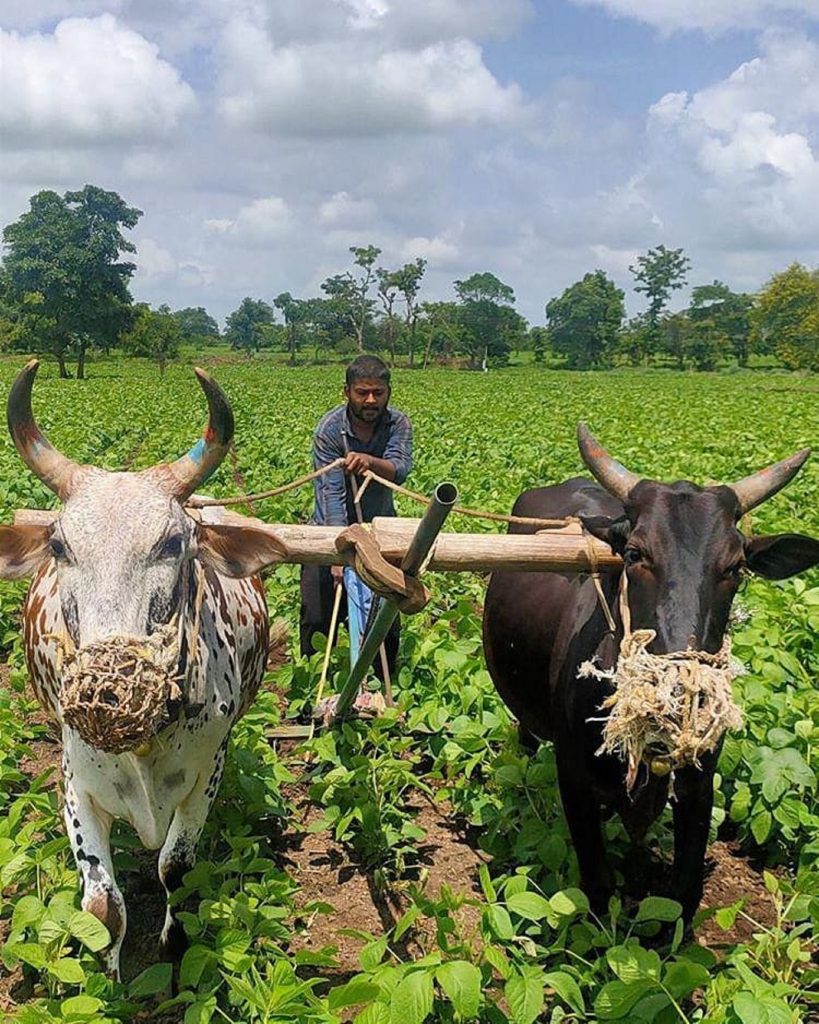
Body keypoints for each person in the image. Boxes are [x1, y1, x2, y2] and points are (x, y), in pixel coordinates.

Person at [300, 354, 413, 679]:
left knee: (385, 620)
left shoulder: (398, 424)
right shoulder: (330, 430)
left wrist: (369, 462)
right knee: (317, 616)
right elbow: (331, 494)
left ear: (388, 392)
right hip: (329, 530)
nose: (371, 400)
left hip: (380, 533)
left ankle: (381, 685)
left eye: (378, 392)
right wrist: (339, 557)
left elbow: (400, 468)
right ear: (347, 391)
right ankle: (315, 682)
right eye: (362, 392)